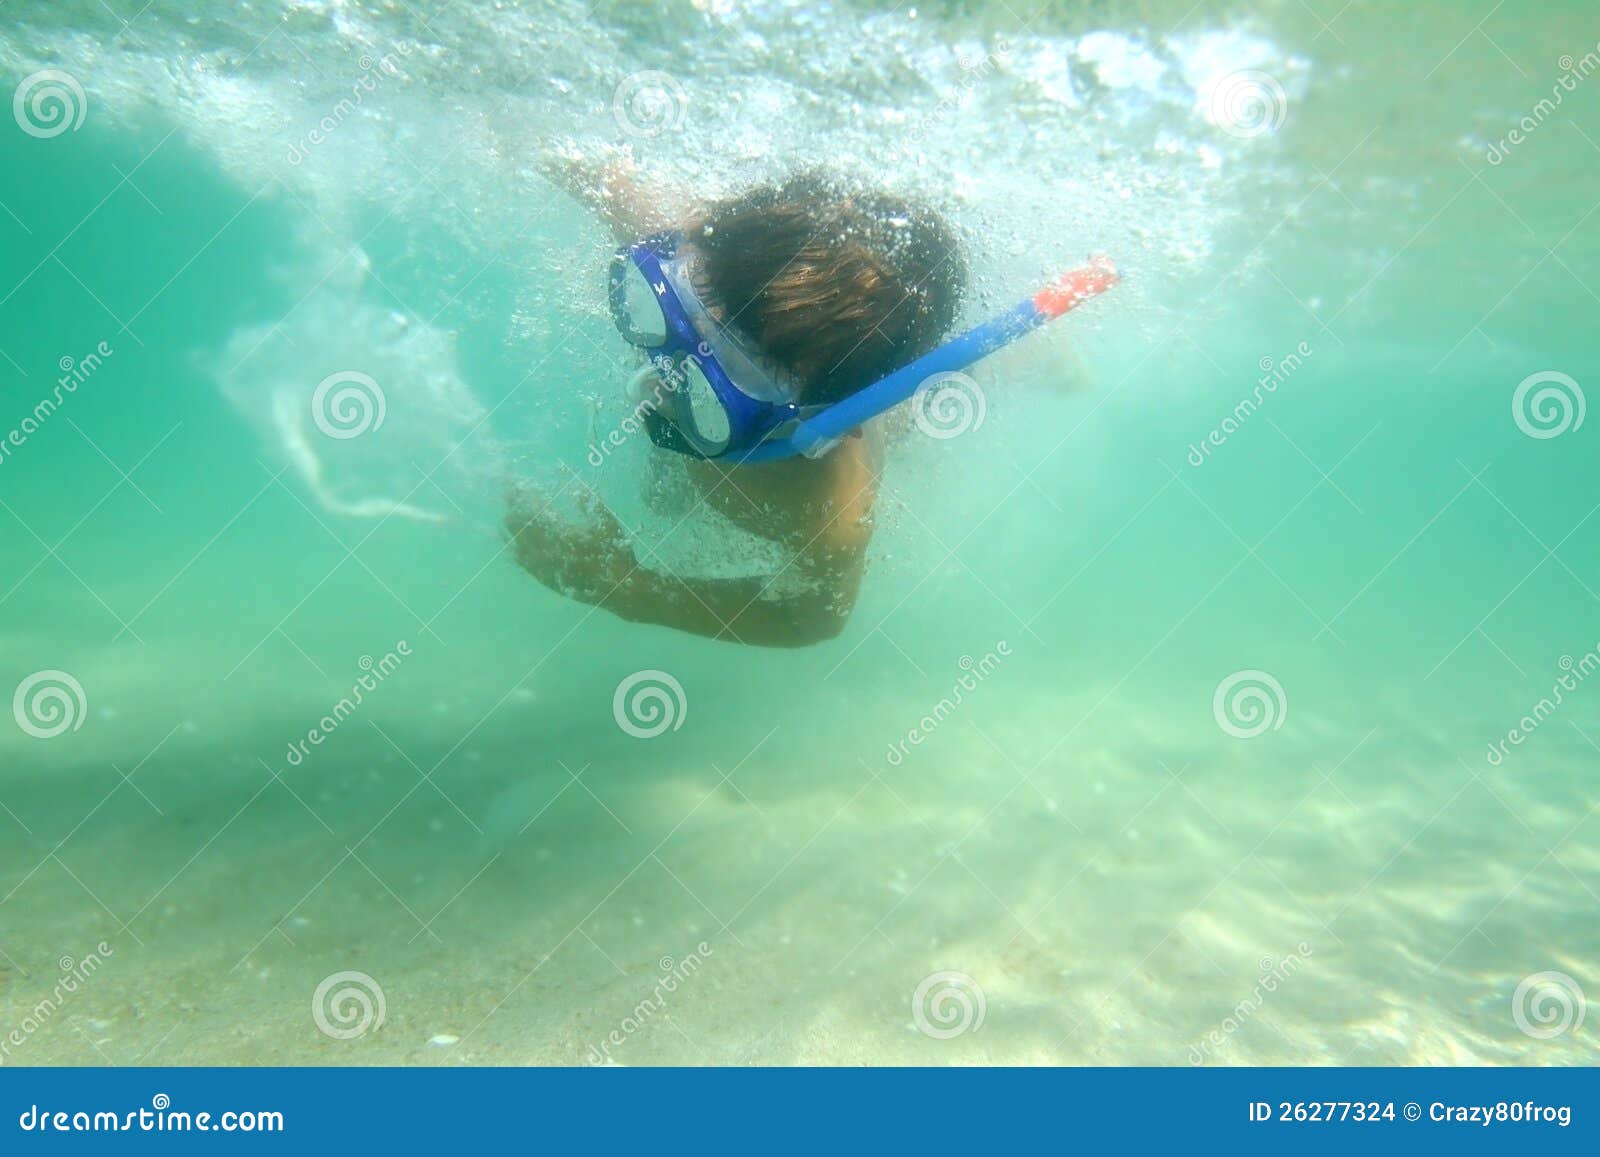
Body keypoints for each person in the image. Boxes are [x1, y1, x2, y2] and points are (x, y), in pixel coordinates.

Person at [506, 156, 968, 647]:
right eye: (684, 309)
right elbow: (594, 172)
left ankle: (1040, 364)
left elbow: (807, 620)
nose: (677, 369)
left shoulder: (827, 510)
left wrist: (628, 591)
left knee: (915, 413)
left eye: (734, 374)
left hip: (880, 416)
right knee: (665, 490)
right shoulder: (726, 265)